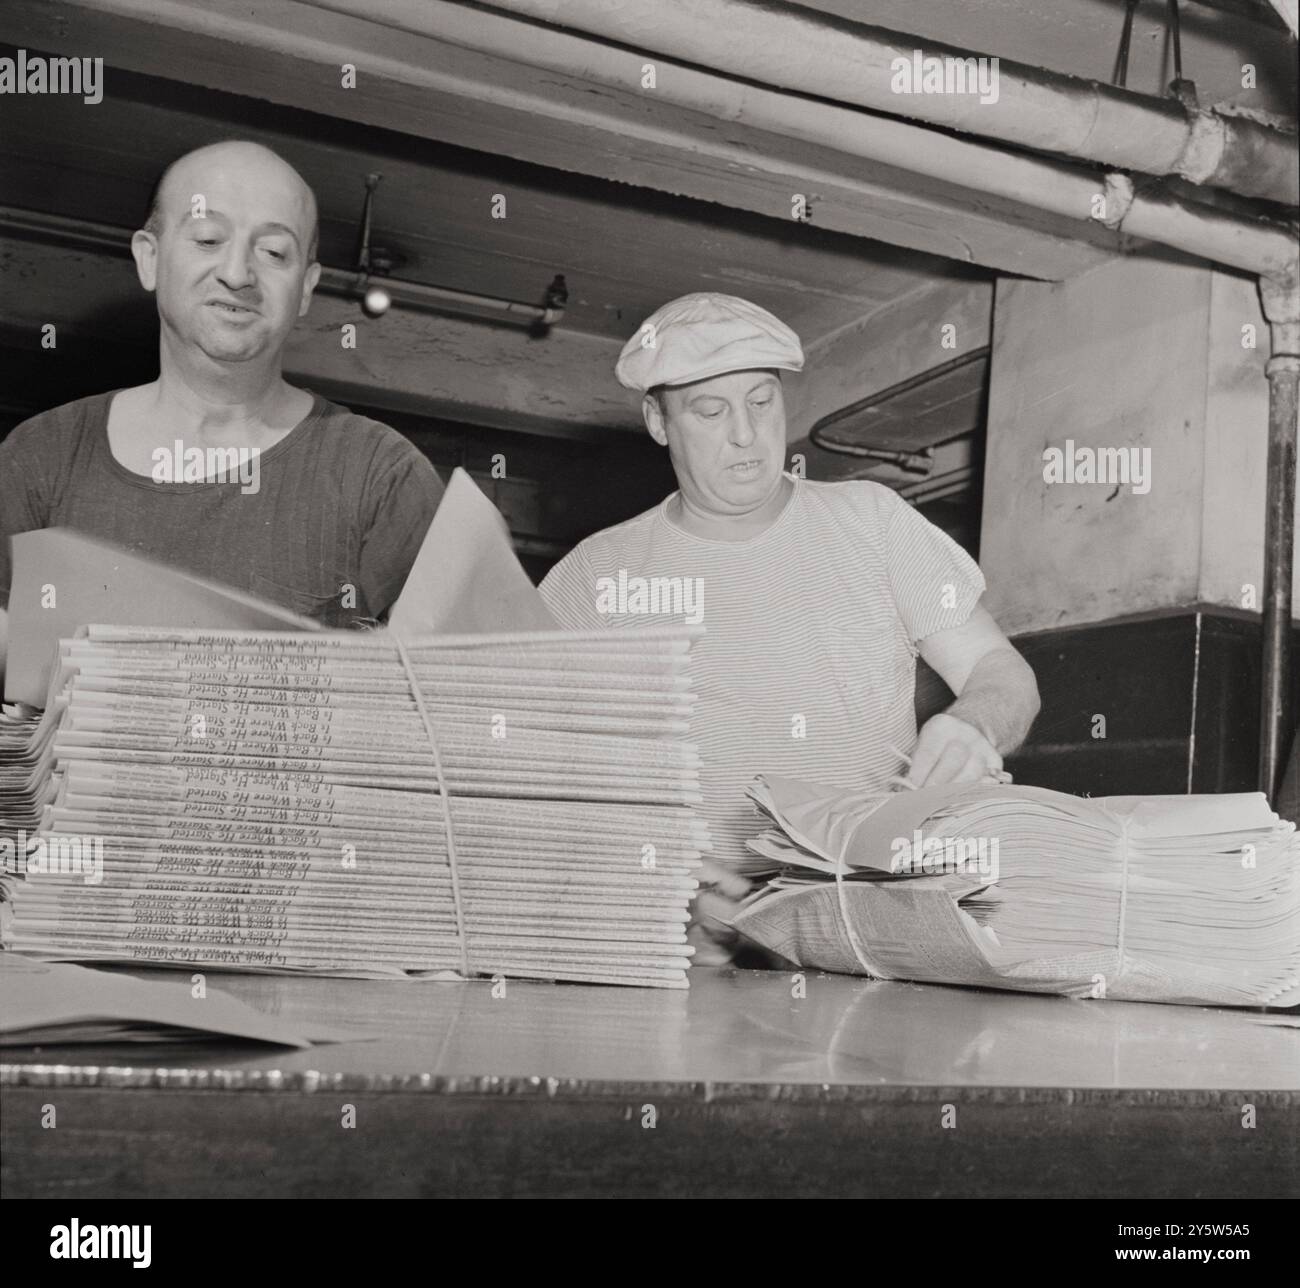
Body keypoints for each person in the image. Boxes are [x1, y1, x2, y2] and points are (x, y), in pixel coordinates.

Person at [540, 293, 1041, 962]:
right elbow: (528, 765)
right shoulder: (596, 575)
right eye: (710, 411)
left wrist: (976, 725)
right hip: (690, 943)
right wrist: (644, 868)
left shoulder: (874, 521)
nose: (746, 435)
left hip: (872, 917)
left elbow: (1001, 673)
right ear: (658, 421)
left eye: (762, 400)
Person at [0, 139, 443, 671]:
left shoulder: (380, 474)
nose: (237, 274)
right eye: (208, 239)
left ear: (305, 288)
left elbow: (462, 682)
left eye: (274, 252)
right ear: (149, 258)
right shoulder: (41, 456)